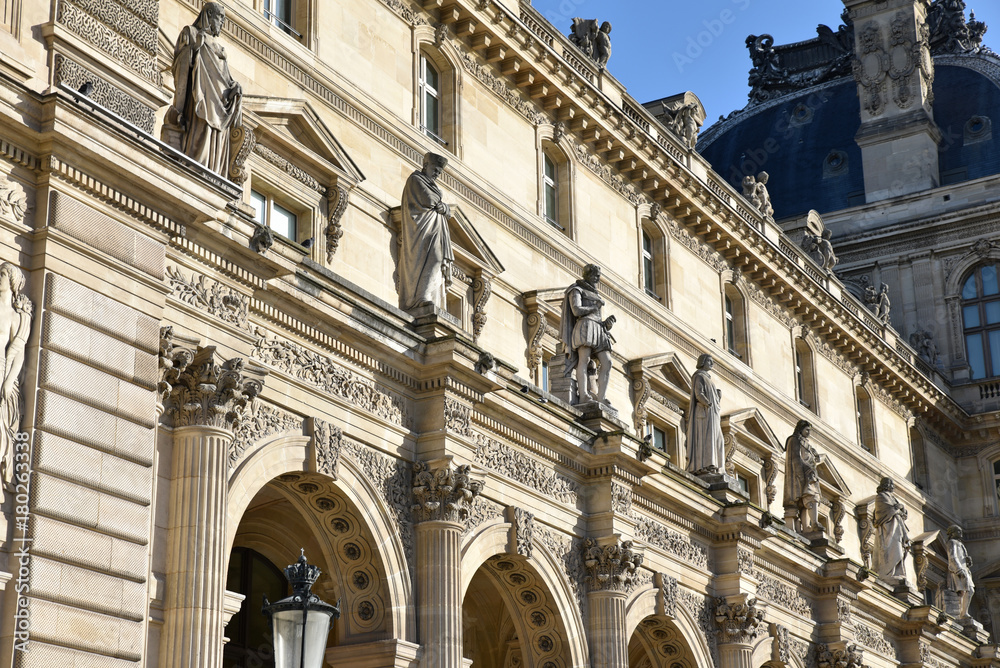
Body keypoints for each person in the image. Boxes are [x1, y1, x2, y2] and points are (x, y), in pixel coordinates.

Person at [162, 2, 244, 176]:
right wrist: (193, 50)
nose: (222, 23)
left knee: (213, 136)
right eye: (219, 18)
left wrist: (234, 87)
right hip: (200, 97)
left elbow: (225, 77)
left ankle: (212, 171)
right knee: (200, 133)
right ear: (209, 16)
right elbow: (180, 70)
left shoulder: (220, 49)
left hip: (218, 103)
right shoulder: (191, 34)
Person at [397, 153, 454, 312]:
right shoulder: (416, 180)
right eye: (435, 169)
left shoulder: (430, 184)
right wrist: (443, 206)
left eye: (439, 172)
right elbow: (429, 200)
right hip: (423, 231)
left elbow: (439, 204)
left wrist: (445, 208)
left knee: (437, 259)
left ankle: (425, 295)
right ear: (426, 165)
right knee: (433, 258)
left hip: (435, 230)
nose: (437, 174)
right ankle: (421, 296)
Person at [560, 264, 615, 406]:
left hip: (598, 328)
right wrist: (594, 307)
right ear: (587, 275)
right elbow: (576, 310)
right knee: (584, 359)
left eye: (599, 275)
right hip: (585, 325)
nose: (598, 278)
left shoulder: (595, 293)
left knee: (607, 362)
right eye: (595, 275)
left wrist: (607, 324)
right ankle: (584, 394)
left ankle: (601, 397)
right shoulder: (576, 289)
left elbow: (596, 315)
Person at [0, 263, 31, 484]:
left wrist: (9, 381)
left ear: (11, 281)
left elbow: (18, 353)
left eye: (2, 274)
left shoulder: (14, 316)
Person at [686, 354, 725, 475]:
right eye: (709, 361)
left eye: (713, 361)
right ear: (702, 362)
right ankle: (705, 465)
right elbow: (699, 393)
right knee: (707, 437)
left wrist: (717, 397)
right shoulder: (699, 376)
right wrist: (707, 402)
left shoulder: (708, 378)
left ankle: (716, 465)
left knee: (718, 439)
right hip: (704, 414)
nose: (712, 363)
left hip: (712, 413)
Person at [783, 420, 824, 533]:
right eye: (807, 430)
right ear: (800, 429)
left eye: (809, 430)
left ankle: (807, 526)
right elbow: (795, 459)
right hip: (802, 476)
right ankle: (814, 523)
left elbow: (809, 458)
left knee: (809, 499)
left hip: (809, 475)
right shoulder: (794, 440)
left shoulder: (806, 443)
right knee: (811, 497)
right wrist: (805, 471)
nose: (808, 433)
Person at [873, 477, 910, 583]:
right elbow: (882, 512)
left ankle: (897, 572)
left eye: (892, 484)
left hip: (897, 528)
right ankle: (888, 573)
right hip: (888, 528)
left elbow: (902, 512)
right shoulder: (880, 496)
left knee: (898, 550)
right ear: (885, 485)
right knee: (893, 550)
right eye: (890, 484)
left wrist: (901, 508)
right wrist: (896, 508)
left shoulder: (893, 497)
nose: (892, 486)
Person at [946, 525, 975, 619]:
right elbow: (953, 556)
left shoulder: (960, 544)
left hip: (965, 569)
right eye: (958, 531)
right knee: (963, 591)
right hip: (958, 570)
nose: (960, 533)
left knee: (970, 590)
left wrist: (967, 561)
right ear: (952, 533)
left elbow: (961, 557)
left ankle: (964, 612)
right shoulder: (952, 542)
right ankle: (962, 613)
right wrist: (958, 569)